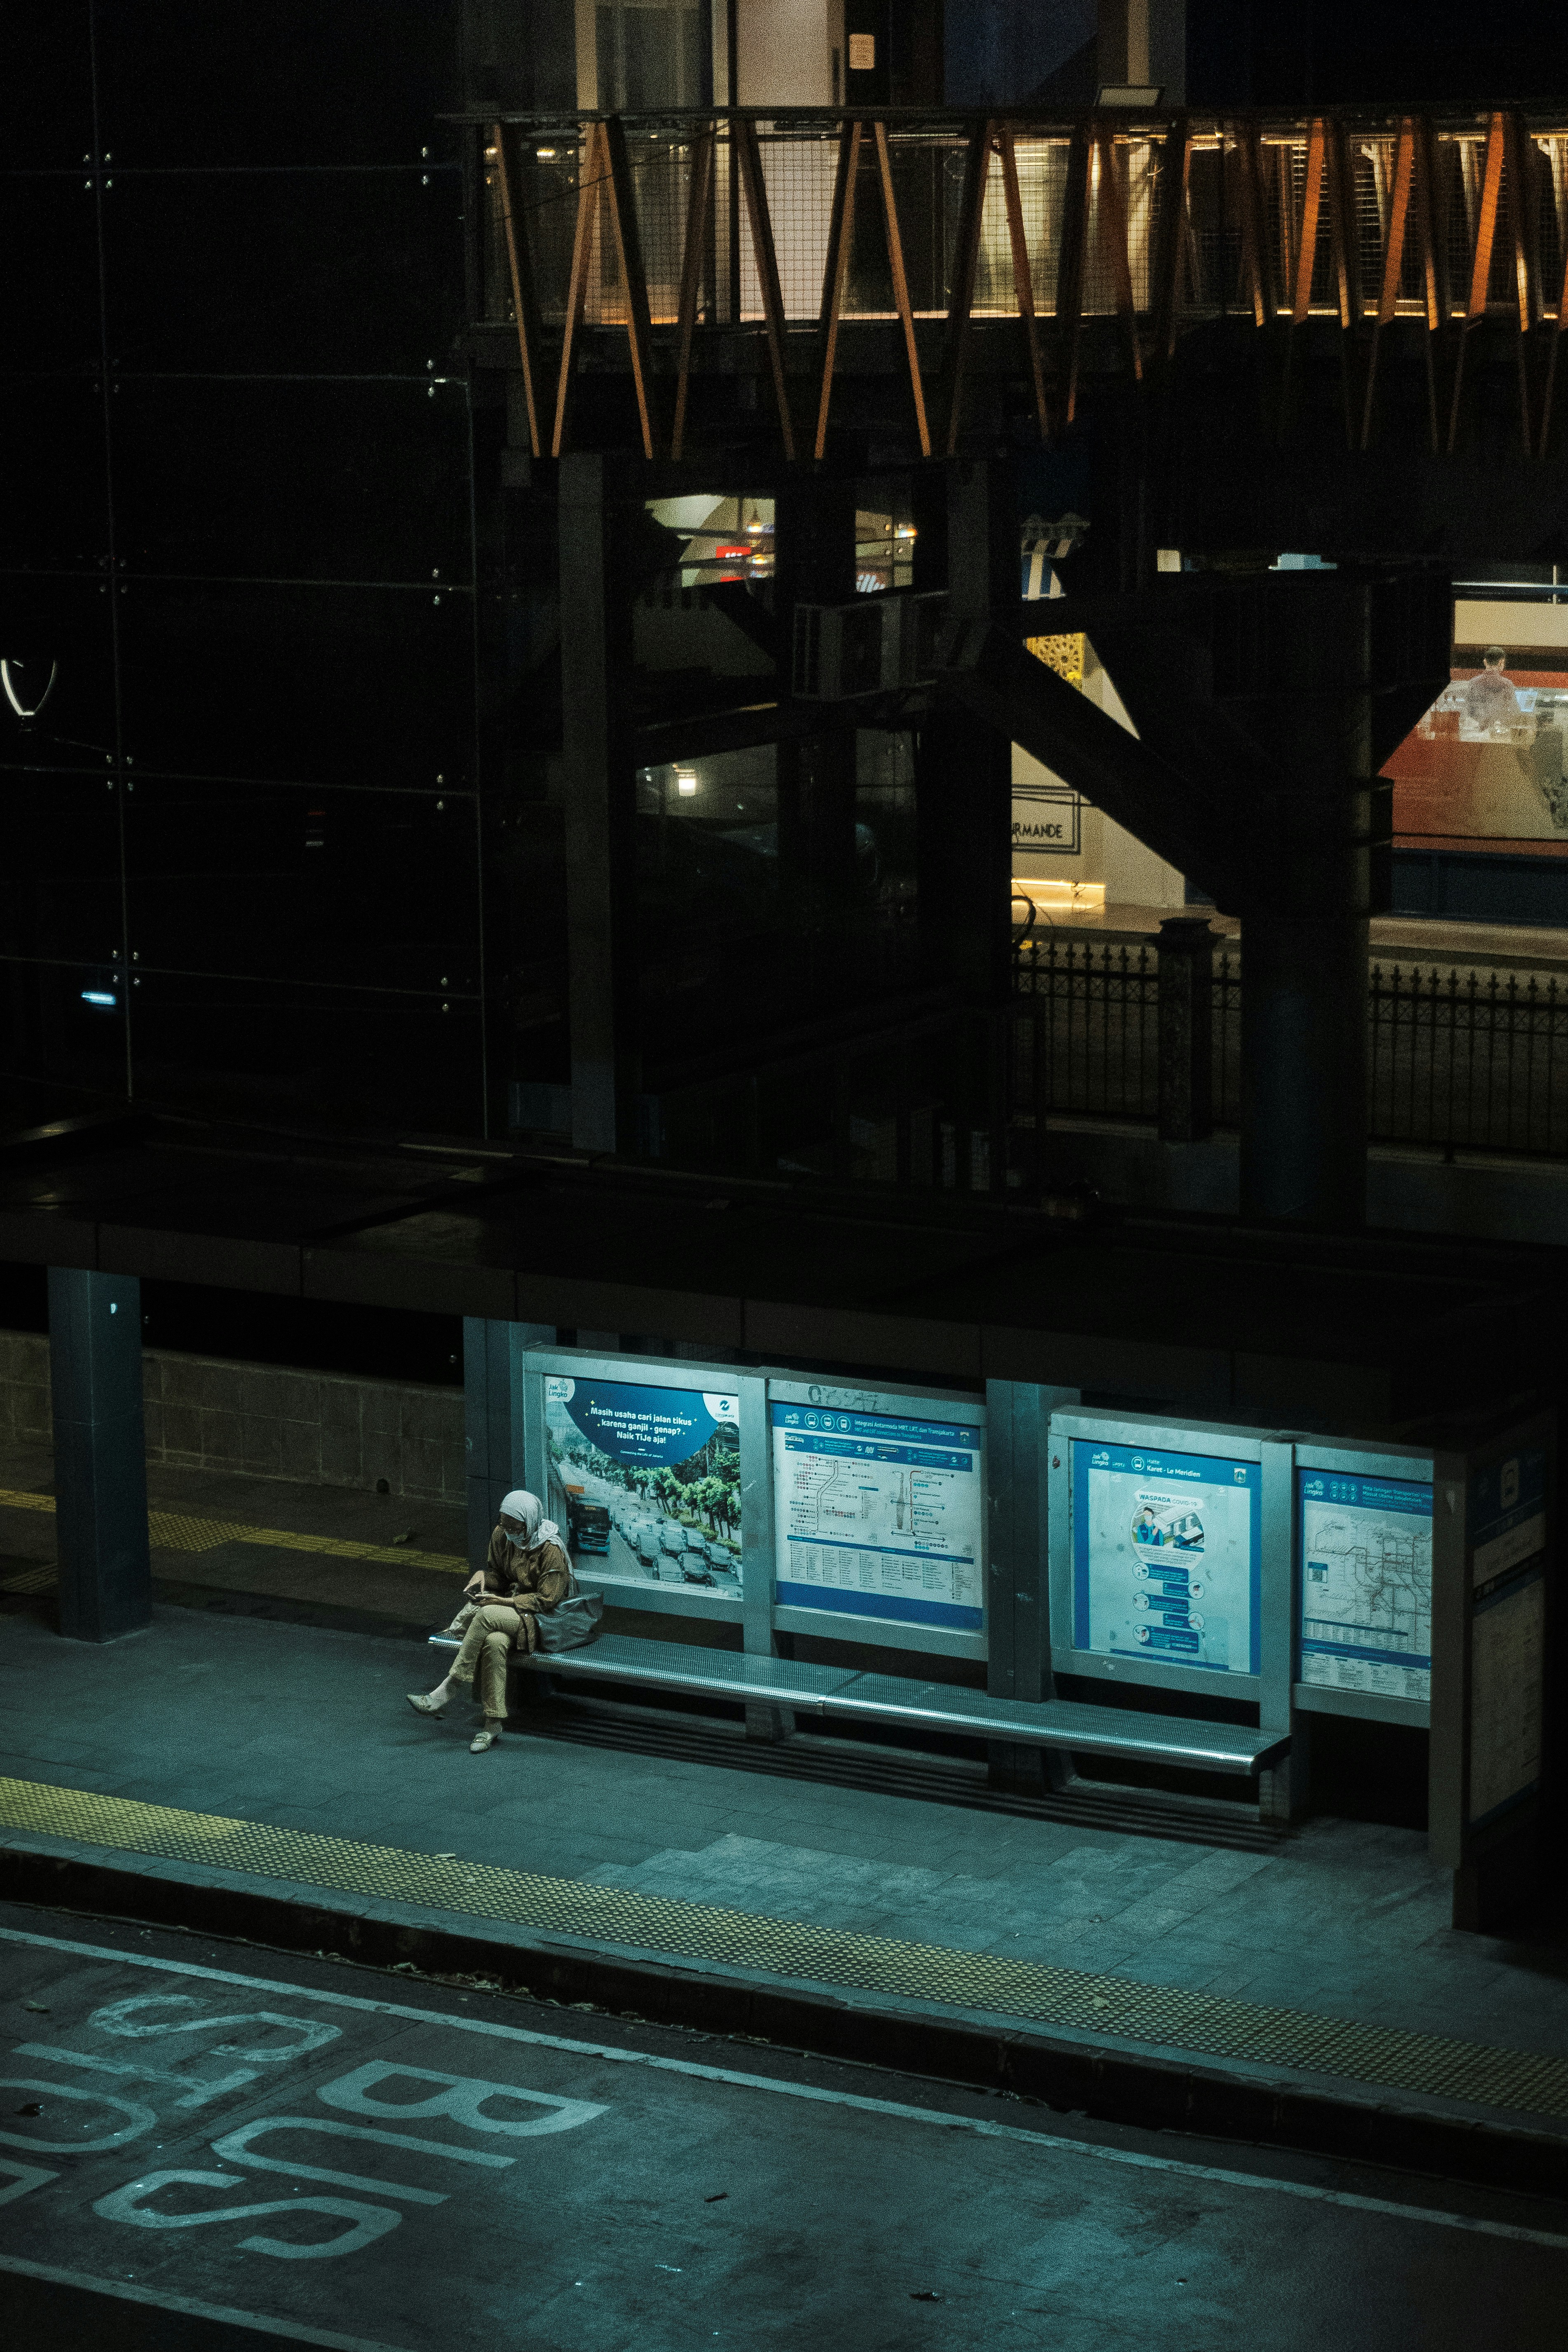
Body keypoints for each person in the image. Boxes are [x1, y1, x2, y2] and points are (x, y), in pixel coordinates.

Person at [406, 1489, 574, 1753]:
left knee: (486, 1614)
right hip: (511, 1612)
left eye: (514, 1527)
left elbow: (547, 1600)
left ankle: (449, 1688)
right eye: (503, 1524)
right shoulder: (502, 1536)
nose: (508, 1532)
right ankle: (492, 1725)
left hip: (542, 1620)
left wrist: (501, 1602)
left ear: (530, 1522)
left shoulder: (551, 1550)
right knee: (494, 1643)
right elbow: (500, 1576)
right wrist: (483, 1577)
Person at [1462, 648, 1520, 731]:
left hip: (1477, 729)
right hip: (1496, 729)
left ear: (1485, 662)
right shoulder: (1507, 684)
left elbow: (1467, 708)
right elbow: (1515, 710)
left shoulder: (1473, 682)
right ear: (1501, 663)